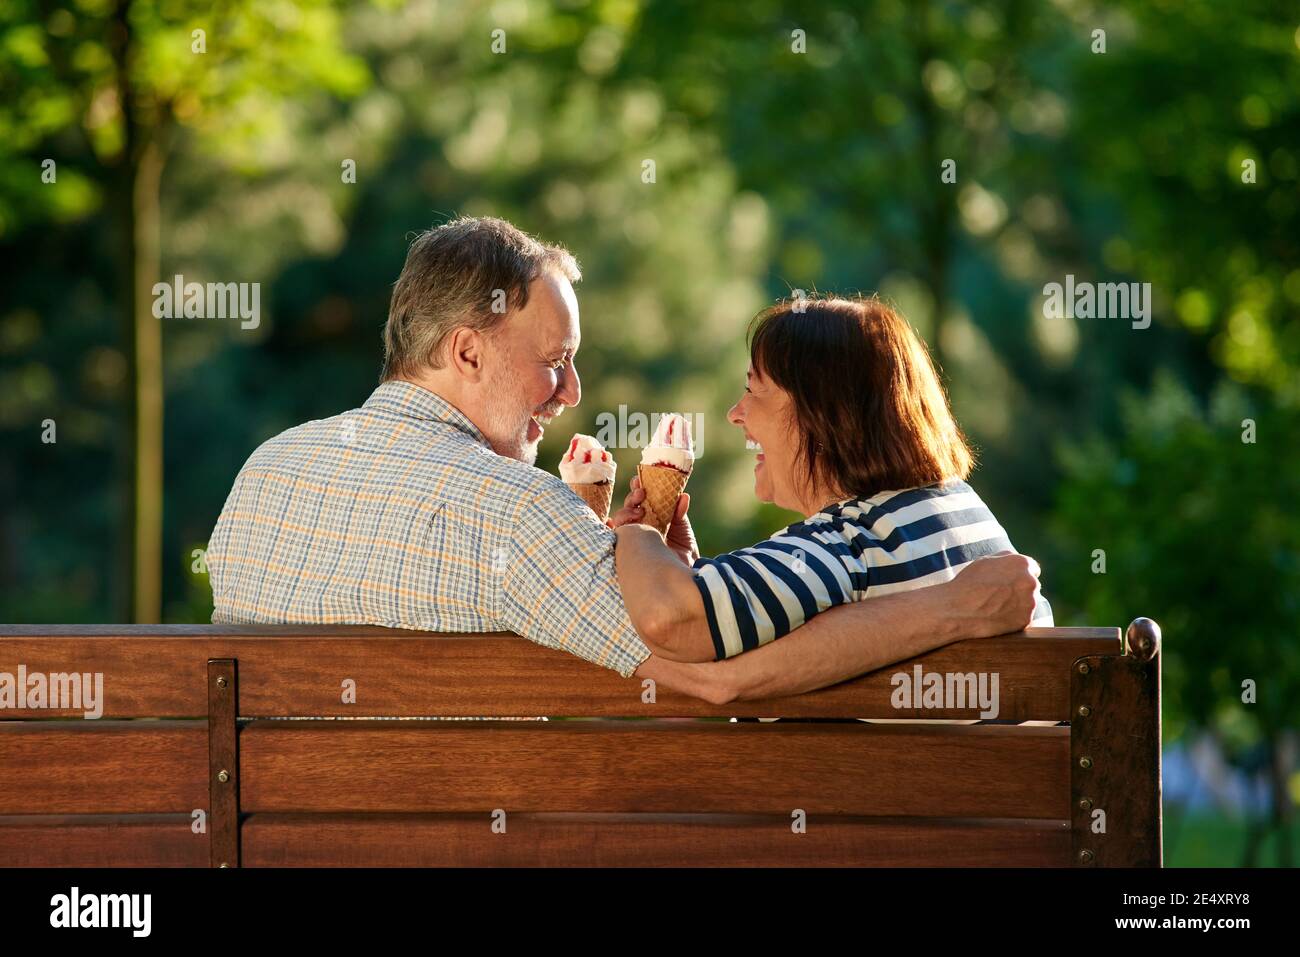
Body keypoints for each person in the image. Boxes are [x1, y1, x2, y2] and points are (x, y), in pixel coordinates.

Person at [206, 217, 1041, 705]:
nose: (570, 391)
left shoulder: (262, 472)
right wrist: (956, 609)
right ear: (465, 351)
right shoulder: (522, 514)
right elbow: (710, 672)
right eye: (554, 359)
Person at [611, 294, 1052, 693]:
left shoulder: (843, 544)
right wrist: (690, 575)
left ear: (819, 412)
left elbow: (666, 619)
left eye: (753, 389)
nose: (735, 413)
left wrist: (640, 529)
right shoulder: (961, 507)